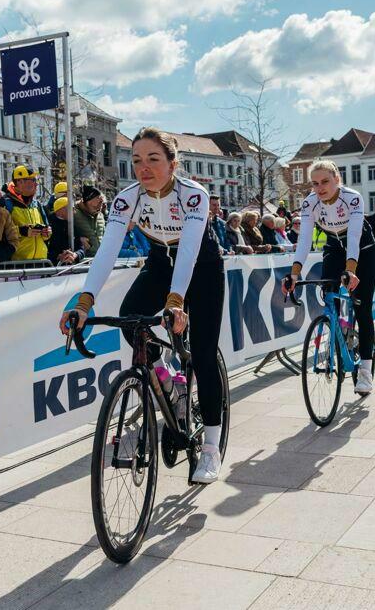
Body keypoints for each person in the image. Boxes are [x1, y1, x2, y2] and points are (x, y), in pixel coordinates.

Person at [60, 127, 226, 484]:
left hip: (202, 265)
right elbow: (106, 251)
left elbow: (189, 249)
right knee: (129, 319)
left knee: (203, 353)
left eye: (153, 159)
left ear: (172, 163)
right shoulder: (128, 198)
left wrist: (176, 301)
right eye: (136, 160)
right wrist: (84, 303)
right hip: (160, 263)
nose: (143, 167)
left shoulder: (192, 195)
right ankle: (168, 379)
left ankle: (211, 448)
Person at [282, 160, 375, 393]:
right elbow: (304, 240)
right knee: (329, 298)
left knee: (362, 309)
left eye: (325, 181)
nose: (320, 188)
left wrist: (351, 270)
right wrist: (294, 274)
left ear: (337, 179)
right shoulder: (310, 203)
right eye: (315, 183)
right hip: (334, 249)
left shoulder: (352, 198)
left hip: (362, 250)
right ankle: (337, 332)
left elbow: (354, 236)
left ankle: (365, 371)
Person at [3, 165, 52, 263]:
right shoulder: (5, 203)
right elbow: (1, 233)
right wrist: (23, 231)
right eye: (33, 180)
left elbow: (47, 233)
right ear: (19, 182)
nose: (36, 184)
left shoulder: (37, 204)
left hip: (41, 261)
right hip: (17, 264)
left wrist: (47, 232)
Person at [46, 196, 83, 265]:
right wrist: (58, 256)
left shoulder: (73, 225)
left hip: (71, 266)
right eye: (72, 209)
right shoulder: (48, 225)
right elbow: (44, 249)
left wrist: (75, 255)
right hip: (50, 267)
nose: (74, 212)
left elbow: (81, 248)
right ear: (60, 210)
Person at [72, 186, 106, 257]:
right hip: (83, 259)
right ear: (85, 202)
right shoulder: (73, 214)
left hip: (101, 257)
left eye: (101, 204)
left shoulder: (100, 215)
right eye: (95, 206)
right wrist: (78, 240)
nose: (98, 209)